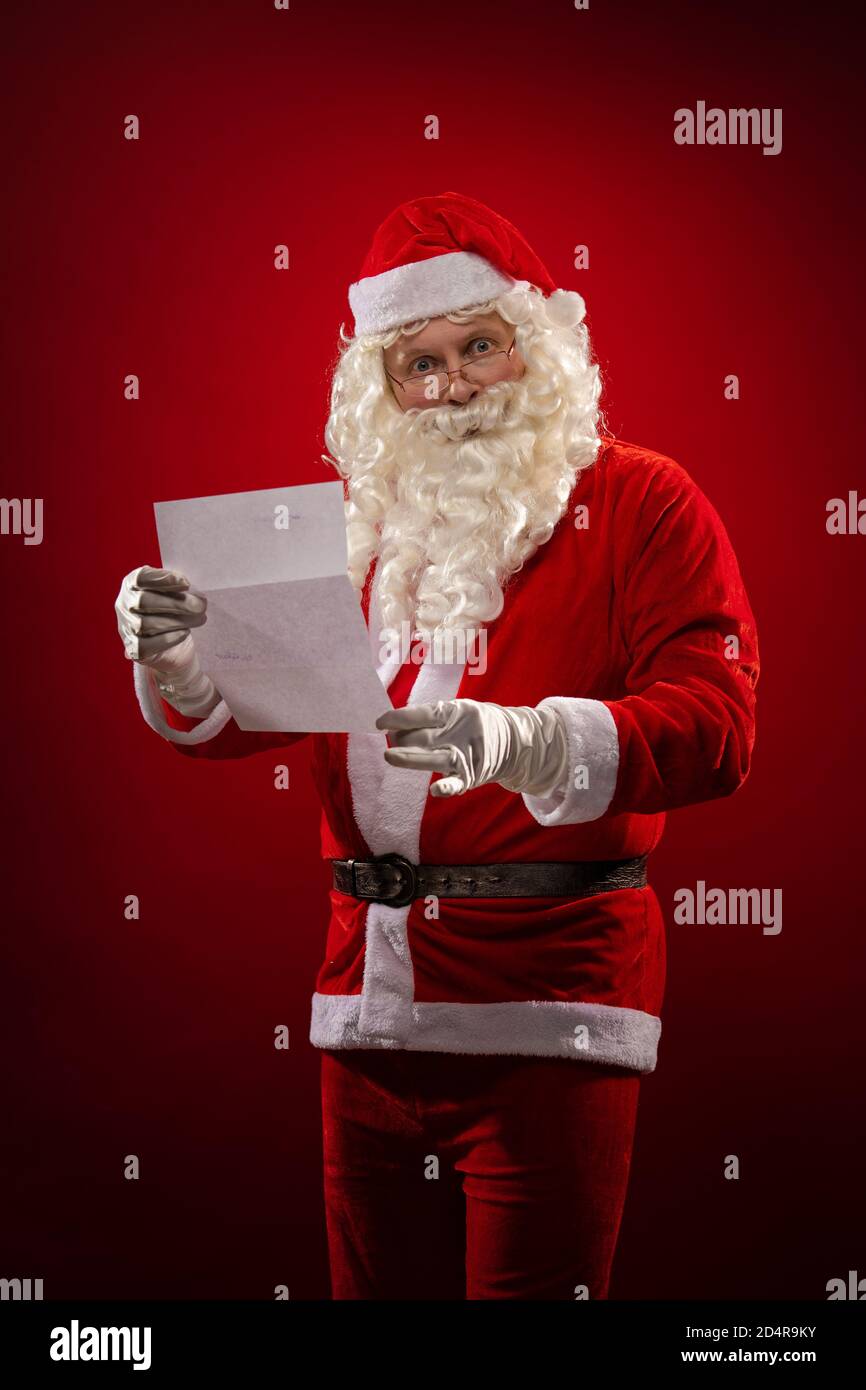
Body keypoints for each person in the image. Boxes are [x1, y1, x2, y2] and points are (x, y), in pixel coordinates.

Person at [114, 191, 760, 1300]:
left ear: (537, 348)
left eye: (478, 347)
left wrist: (518, 741)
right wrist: (173, 656)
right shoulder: (364, 524)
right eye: (418, 364)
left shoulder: (645, 502)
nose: (450, 385)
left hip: (546, 1021)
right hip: (363, 1013)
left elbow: (718, 724)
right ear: (384, 388)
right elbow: (250, 712)